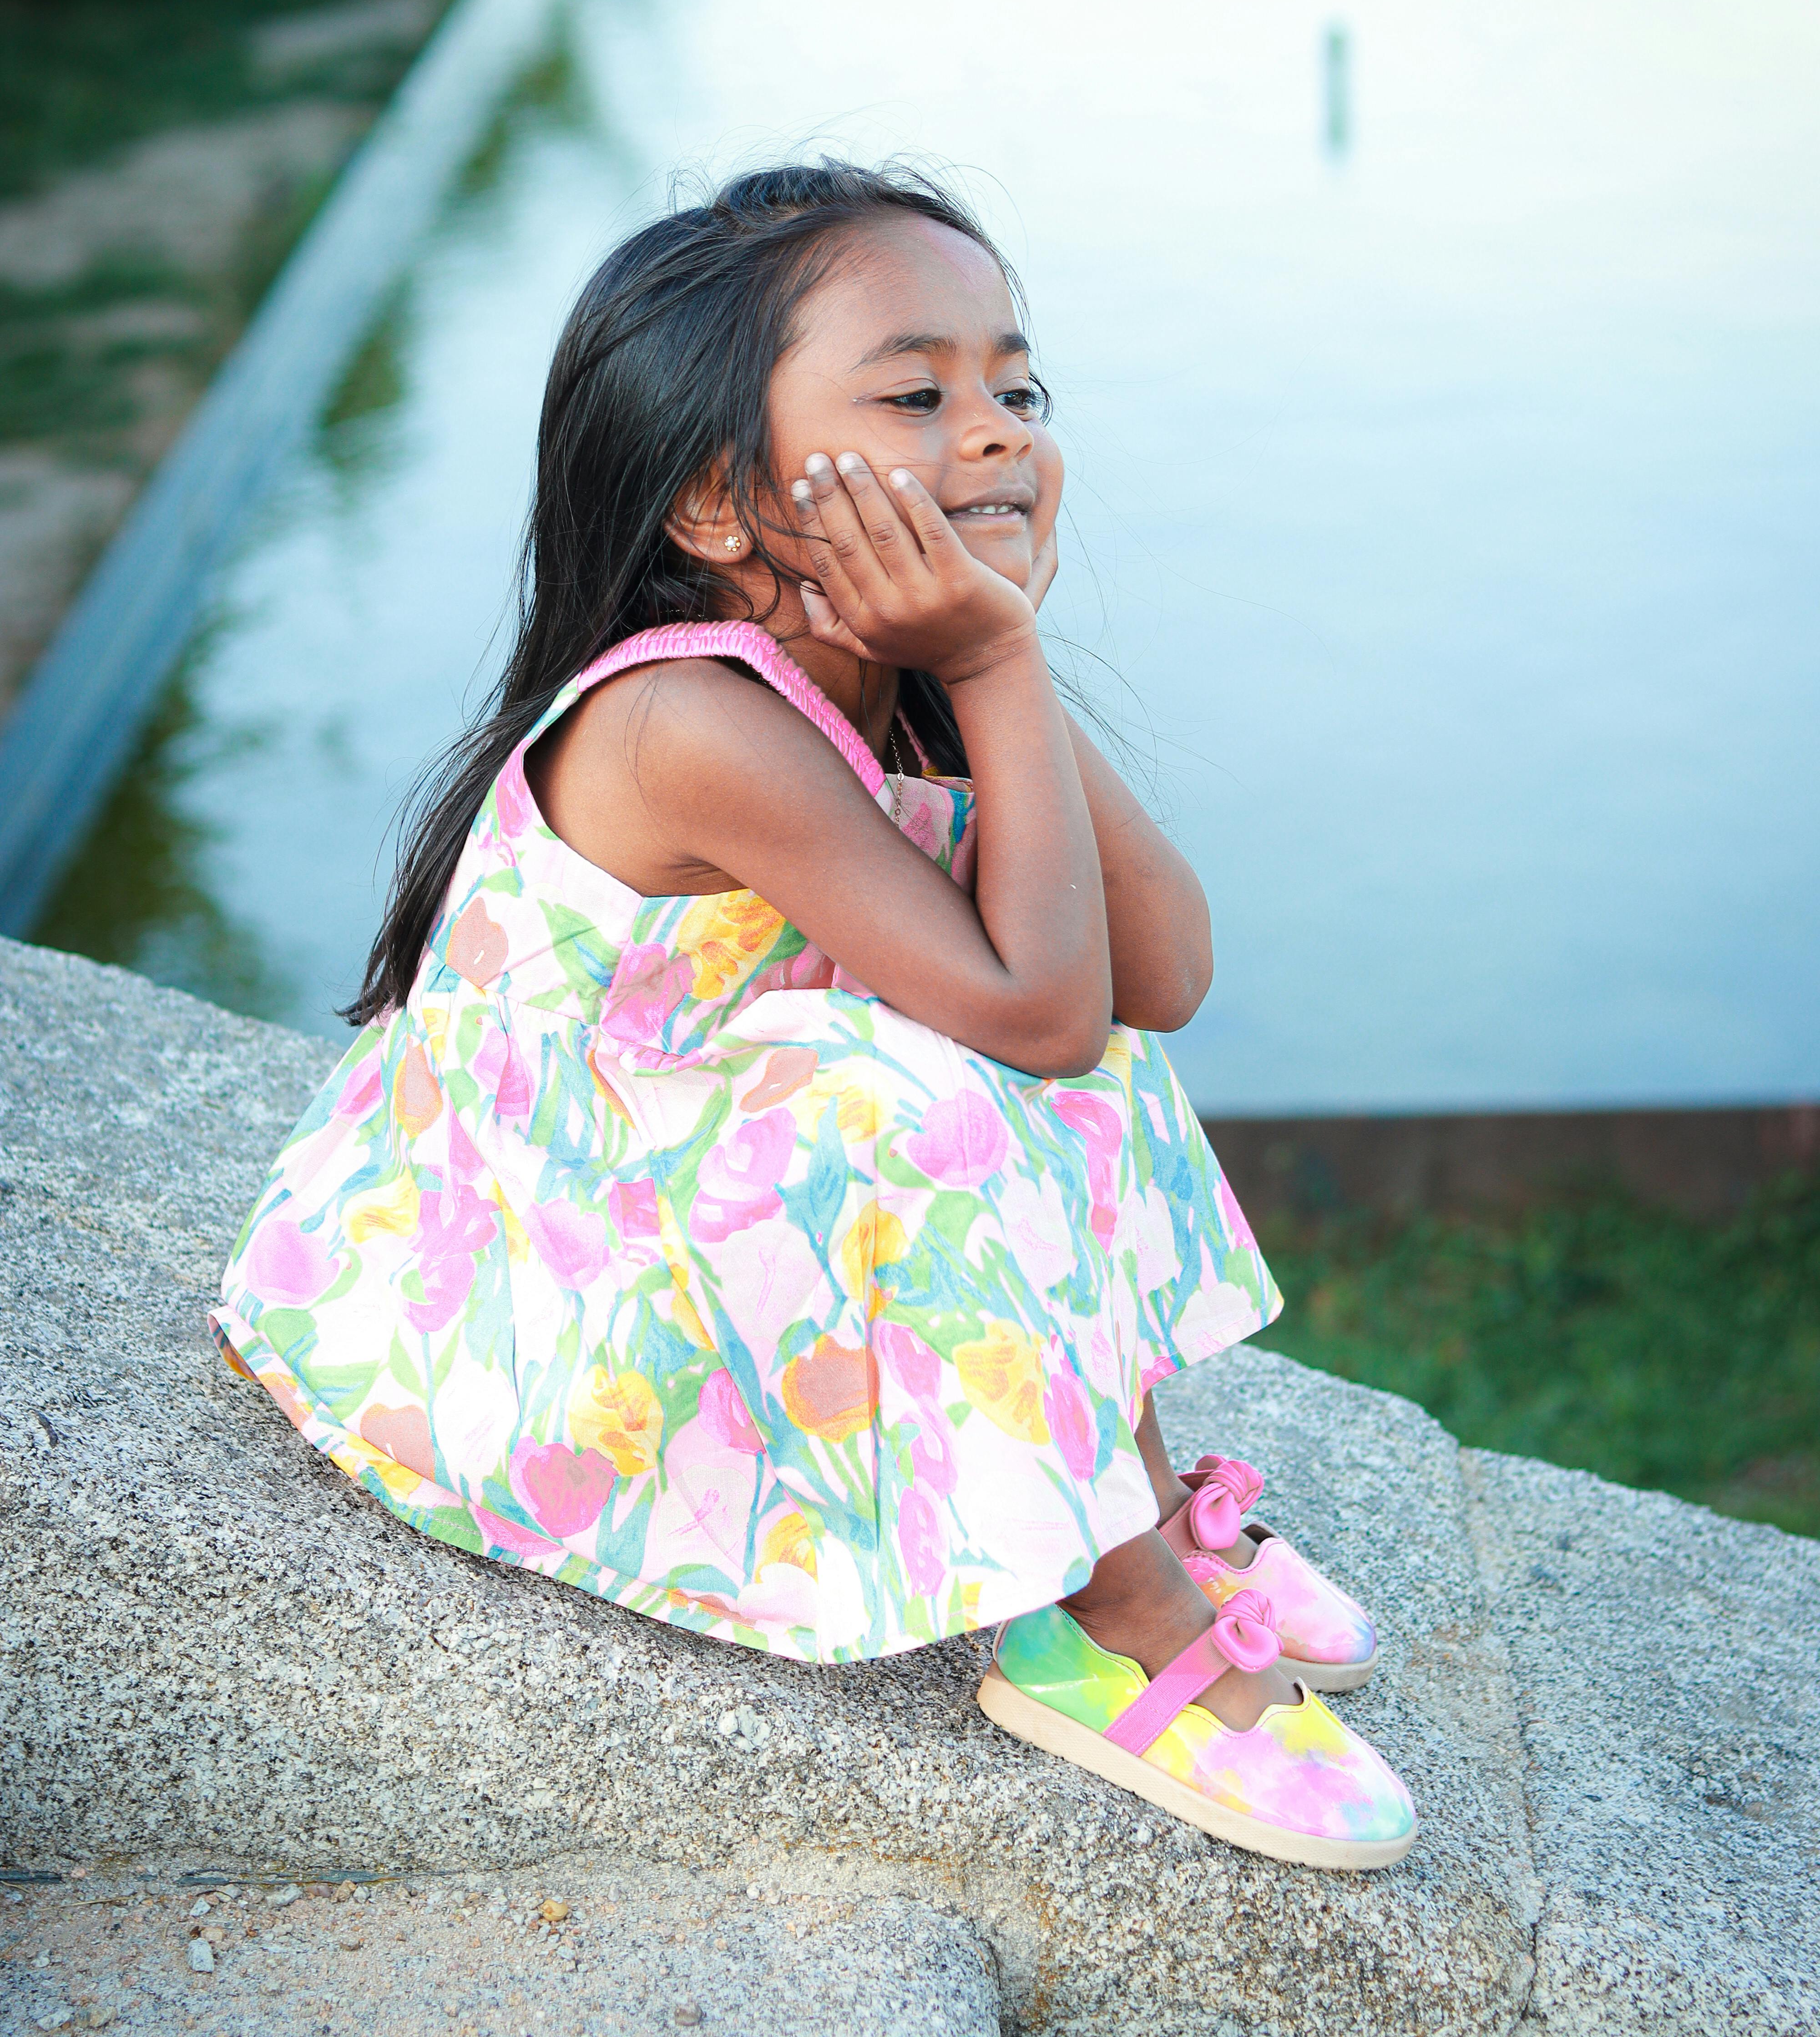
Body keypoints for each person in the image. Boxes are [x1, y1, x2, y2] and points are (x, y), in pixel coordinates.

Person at [213, 161, 1415, 1870]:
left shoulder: (900, 664)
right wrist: (992, 667)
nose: (996, 431)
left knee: (1014, 1033)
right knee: (925, 1067)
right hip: (525, 1326)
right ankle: (1110, 1611)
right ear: (719, 505)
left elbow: (1156, 979)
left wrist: (993, 654)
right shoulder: (687, 718)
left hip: (689, 1232)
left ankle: (1127, 1516)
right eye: (919, 395)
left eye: (1019, 386)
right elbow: (1039, 1019)